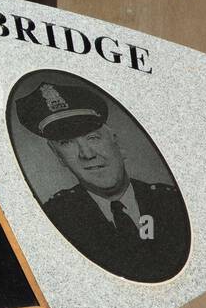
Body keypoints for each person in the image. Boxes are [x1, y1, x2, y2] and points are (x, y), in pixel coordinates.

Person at [15, 81, 189, 282]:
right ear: (58, 156)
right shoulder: (55, 218)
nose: (87, 154)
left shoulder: (171, 202)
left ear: (115, 141)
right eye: (67, 143)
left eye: (93, 138)